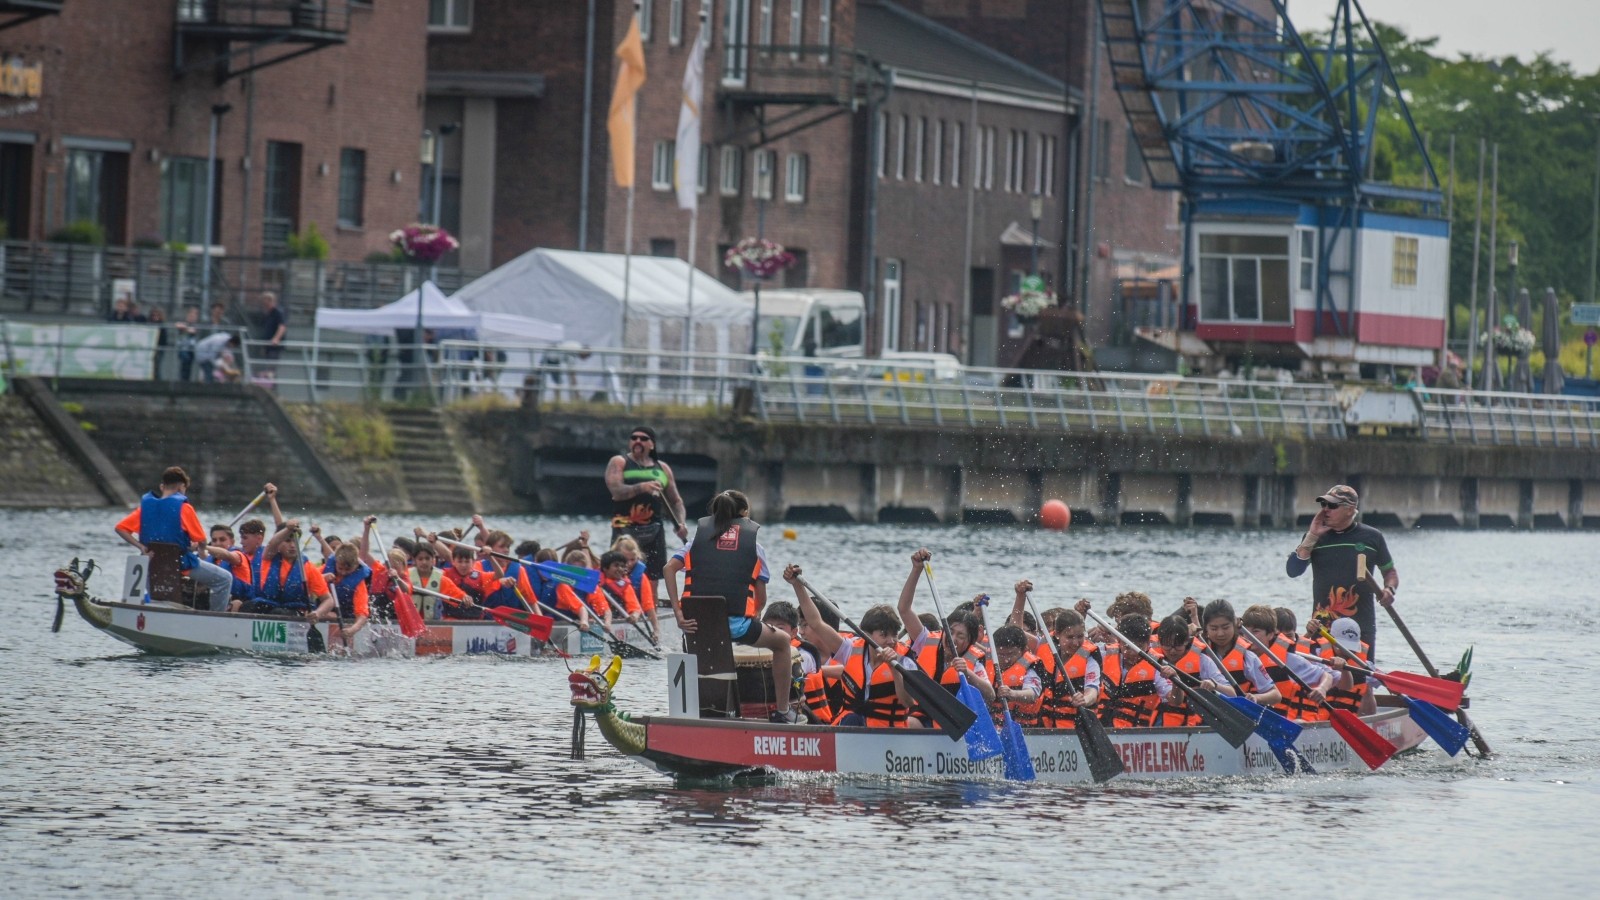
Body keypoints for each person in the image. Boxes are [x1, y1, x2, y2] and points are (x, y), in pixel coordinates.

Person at [664, 489, 796, 723]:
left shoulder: (696, 541)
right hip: (738, 627)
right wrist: (754, 615)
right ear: (745, 513)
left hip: (696, 625)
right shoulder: (755, 547)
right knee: (783, 643)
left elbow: (668, 569)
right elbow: (761, 599)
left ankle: (696, 712)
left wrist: (678, 613)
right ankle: (783, 711)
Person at [1286, 484, 1398, 657]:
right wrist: (1312, 536)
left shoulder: (1372, 537)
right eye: (1323, 505)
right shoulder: (1315, 538)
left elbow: (1390, 572)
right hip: (1322, 625)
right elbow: (1293, 571)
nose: (1325, 510)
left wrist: (1389, 589)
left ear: (1350, 509)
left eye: (1332, 506)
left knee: (1359, 681)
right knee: (1322, 678)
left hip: (1361, 625)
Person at [112, 466, 235, 612]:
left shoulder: (145, 507)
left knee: (157, 598)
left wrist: (141, 547)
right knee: (225, 579)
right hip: (180, 562)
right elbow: (201, 539)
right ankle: (216, 618)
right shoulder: (184, 507)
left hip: (151, 563)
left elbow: (120, 528)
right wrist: (201, 550)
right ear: (182, 486)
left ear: (162, 486)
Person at [606, 426, 689, 585]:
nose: (638, 441)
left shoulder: (662, 468)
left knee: (652, 580)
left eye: (643, 439)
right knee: (619, 576)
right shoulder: (619, 462)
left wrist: (681, 523)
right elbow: (616, 491)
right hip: (624, 528)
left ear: (652, 444)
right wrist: (642, 487)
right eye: (634, 438)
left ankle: (651, 607)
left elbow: (676, 502)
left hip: (653, 529)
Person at [1240, 604, 1337, 721]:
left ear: (1270, 634)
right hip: (1243, 722)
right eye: (1245, 631)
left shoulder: (1287, 659)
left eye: (1255, 631)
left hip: (1276, 724)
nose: (1248, 636)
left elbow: (1327, 676)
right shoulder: (1236, 656)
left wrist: (1321, 689)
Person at [233, 521, 332, 616]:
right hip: (268, 606)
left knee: (278, 612)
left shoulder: (307, 567)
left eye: (295, 541)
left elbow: (328, 600)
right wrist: (288, 529)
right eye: (288, 541)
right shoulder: (269, 556)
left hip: (294, 610)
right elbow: (273, 542)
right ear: (279, 542)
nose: (293, 545)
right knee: (249, 606)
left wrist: (317, 613)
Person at [255, 291, 286, 384]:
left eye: (265, 301)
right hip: (268, 346)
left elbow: (282, 327)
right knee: (267, 367)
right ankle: (267, 385)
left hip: (274, 347)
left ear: (270, 300)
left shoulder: (277, 312)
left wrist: (276, 338)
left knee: (271, 369)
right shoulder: (268, 314)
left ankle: (271, 387)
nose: (264, 303)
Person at [175, 306, 200, 382]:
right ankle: (183, 379)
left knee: (188, 365)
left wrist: (186, 329)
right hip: (183, 348)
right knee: (185, 362)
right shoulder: (184, 323)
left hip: (191, 349)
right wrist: (186, 328)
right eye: (191, 315)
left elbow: (193, 331)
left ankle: (186, 380)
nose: (193, 317)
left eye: (195, 315)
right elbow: (177, 325)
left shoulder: (197, 325)